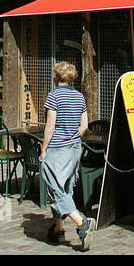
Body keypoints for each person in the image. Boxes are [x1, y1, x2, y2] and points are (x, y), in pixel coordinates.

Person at [39, 61, 95, 250]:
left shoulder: (54, 96)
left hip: (57, 149)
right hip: (74, 148)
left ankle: (81, 223)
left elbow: (50, 125)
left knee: (55, 187)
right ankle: (58, 228)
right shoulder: (80, 97)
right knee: (66, 186)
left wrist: (44, 149)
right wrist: (73, 137)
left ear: (56, 77)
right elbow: (84, 126)